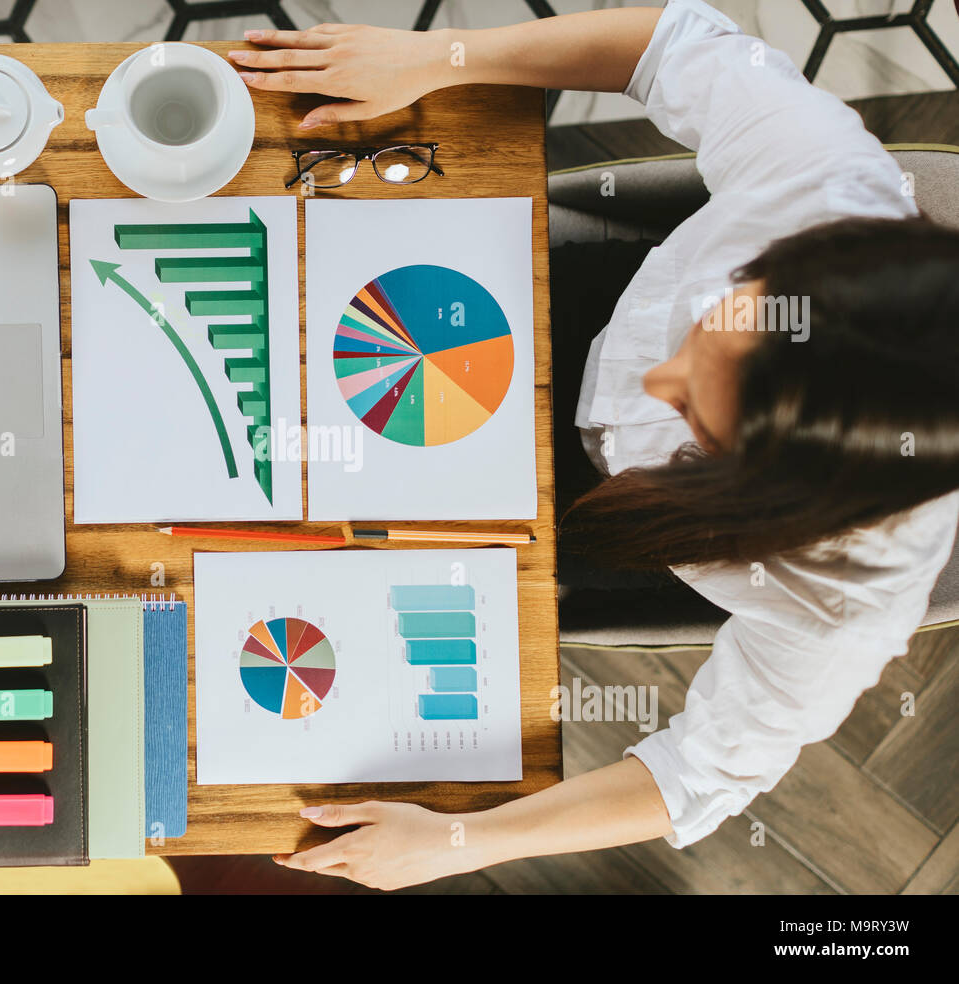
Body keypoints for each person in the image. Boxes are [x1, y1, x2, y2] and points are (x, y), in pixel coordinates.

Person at [226, 0, 959, 890]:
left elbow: (702, 776)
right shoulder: (825, 178)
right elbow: (670, 45)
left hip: (599, 524)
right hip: (540, 313)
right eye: (715, 327)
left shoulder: (846, 595)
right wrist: (442, 56)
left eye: (700, 423)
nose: (660, 384)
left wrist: (467, 843)